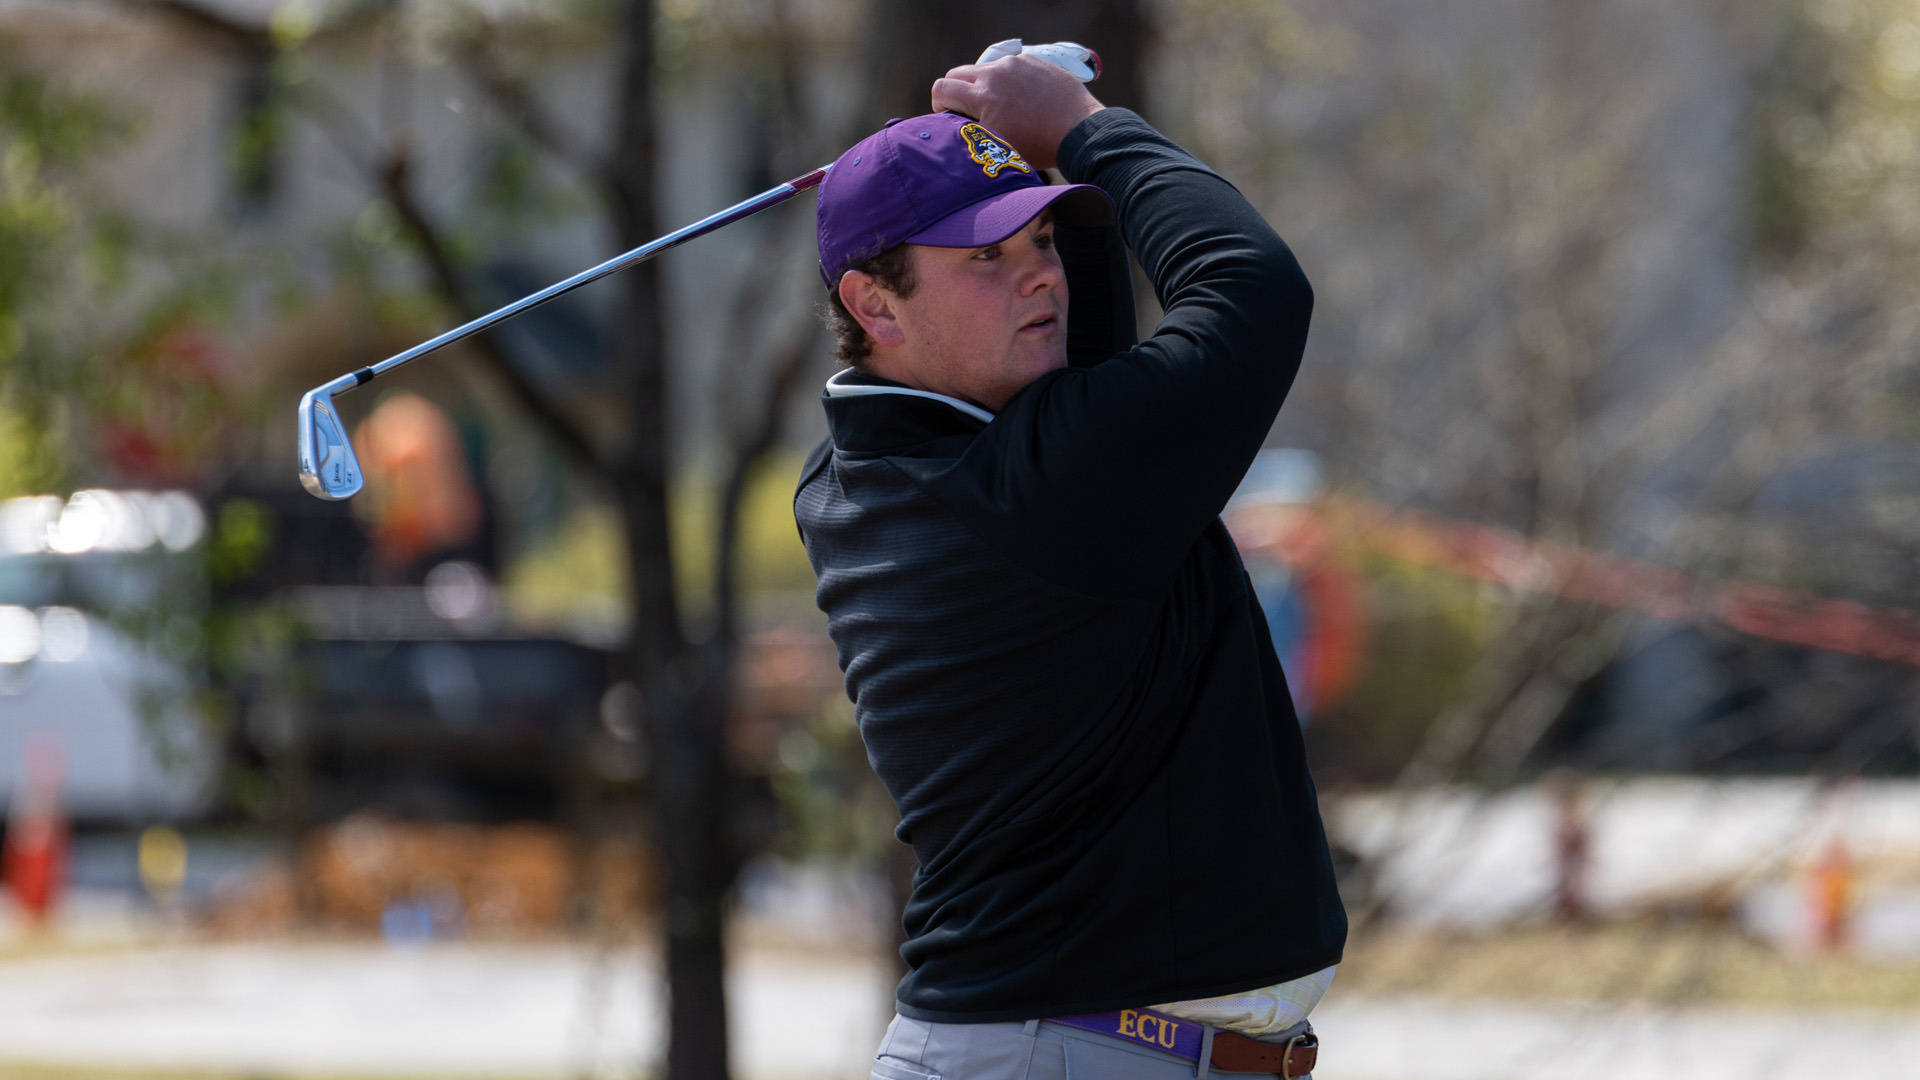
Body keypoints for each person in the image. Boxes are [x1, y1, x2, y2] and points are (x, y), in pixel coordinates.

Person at [793, 52, 1346, 1080]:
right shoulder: (1029, 488)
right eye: (986, 256)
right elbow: (1254, 290)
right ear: (875, 305)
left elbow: (1079, 373)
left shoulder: (863, 472)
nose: (1041, 271)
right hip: (1063, 1055)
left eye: (1045, 237)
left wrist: (1029, 151)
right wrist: (1087, 123)